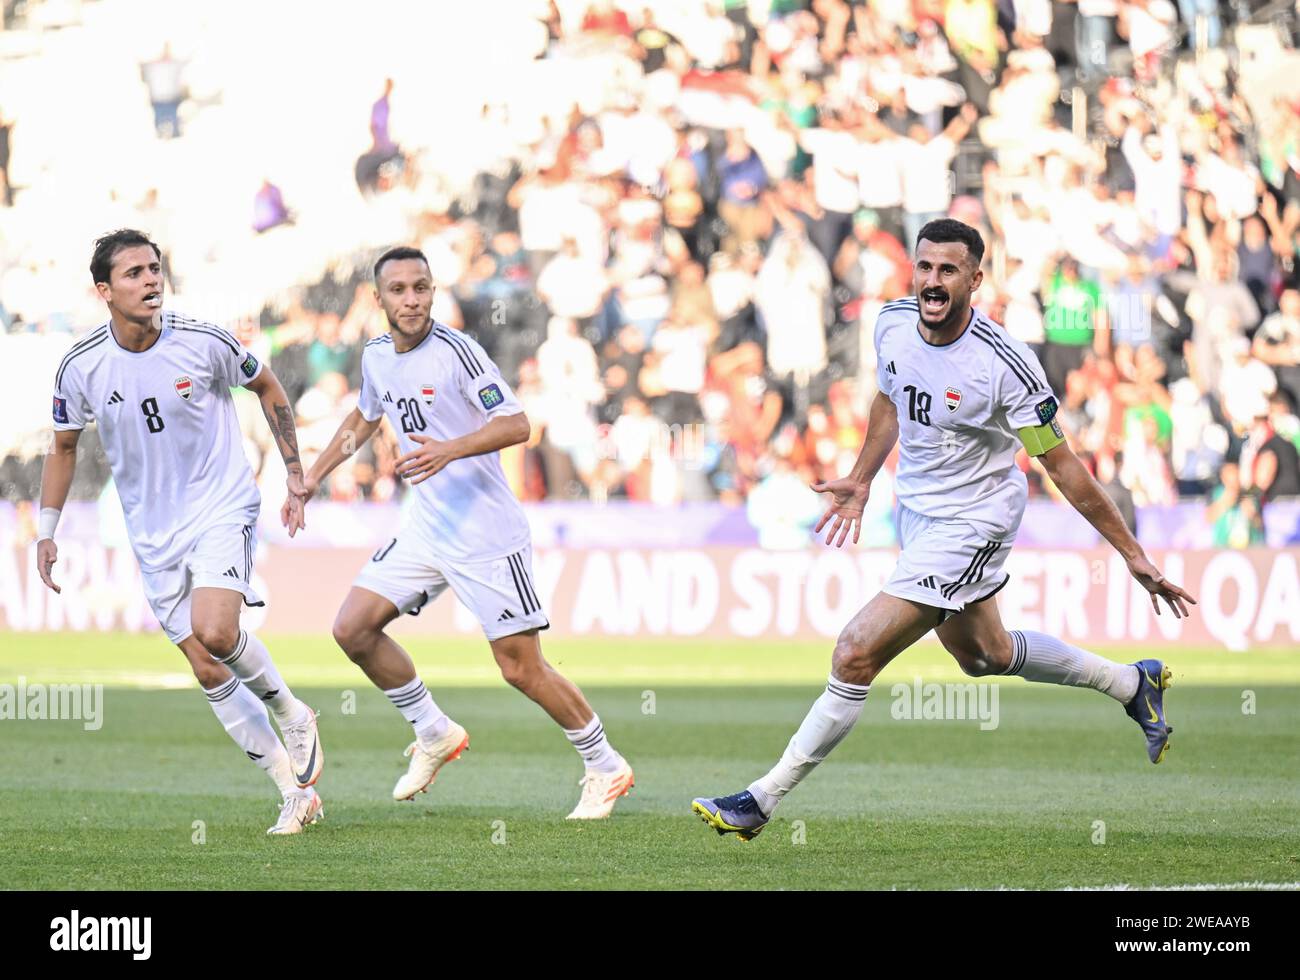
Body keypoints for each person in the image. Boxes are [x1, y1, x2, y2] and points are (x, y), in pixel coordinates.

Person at [692, 219, 1195, 840]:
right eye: (925, 267)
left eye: (948, 270)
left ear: (974, 281)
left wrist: (1131, 554)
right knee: (985, 656)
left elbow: (1061, 465)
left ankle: (760, 801)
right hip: (919, 512)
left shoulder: (1005, 365)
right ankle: (1131, 683)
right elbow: (888, 401)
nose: (933, 281)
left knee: (855, 651)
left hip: (977, 517)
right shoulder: (893, 324)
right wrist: (862, 477)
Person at [292, 247, 633, 818]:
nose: (412, 299)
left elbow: (517, 423)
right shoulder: (377, 355)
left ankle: (605, 764)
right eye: (398, 290)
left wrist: (451, 449)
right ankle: (434, 731)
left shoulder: (458, 352)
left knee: (520, 667)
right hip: (426, 526)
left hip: (485, 533)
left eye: (421, 287)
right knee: (352, 629)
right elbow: (365, 417)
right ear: (378, 300)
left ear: (433, 290)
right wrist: (311, 477)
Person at [37, 230, 324, 835]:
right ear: (104, 290)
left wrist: (294, 475)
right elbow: (64, 447)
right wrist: (47, 530)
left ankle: (293, 713)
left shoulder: (203, 340)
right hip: (152, 532)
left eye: (153, 268)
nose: (150, 280)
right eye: (134, 273)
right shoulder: (81, 366)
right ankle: (292, 793)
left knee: (216, 631)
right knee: (205, 665)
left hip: (222, 506)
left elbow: (268, 386)